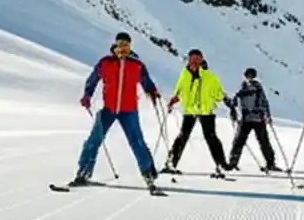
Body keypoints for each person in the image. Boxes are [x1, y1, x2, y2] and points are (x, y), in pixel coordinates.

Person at [70, 31, 161, 186]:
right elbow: (93, 80)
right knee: (93, 140)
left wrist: (152, 92)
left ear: (130, 47)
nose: (123, 48)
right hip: (109, 109)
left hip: (129, 110)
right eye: (120, 45)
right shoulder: (105, 62)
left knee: (137, 141)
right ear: (115, 46)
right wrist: (87, 95)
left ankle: (148, 174)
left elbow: (146, 82)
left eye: (126, 45)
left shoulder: (137, 65)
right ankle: (83, 173)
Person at [163, 48, 234, 174]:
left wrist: (225, 100)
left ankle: (221, 164)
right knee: (182, 136)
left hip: (206, 110)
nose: (195, 61)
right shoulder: (184, 75)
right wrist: (174, 99)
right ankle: (171, 163)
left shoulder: (209, 77)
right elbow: (180, 91)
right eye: (192, 59)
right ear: (189, 60)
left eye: (197, 59)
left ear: (201, 60)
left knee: (211, 137)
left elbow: (218, 92)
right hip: (190, 110)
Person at [228, 67, 282, 172]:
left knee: (263, 142)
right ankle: (233, 163)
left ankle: (270, 163)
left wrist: (268, 115)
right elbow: (235, 103)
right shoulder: (244, 88)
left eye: (251, 76)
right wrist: (234, 113)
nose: (250, 78)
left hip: (256, 119)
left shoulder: (255, 88)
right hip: (248, 119)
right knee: (240, 142)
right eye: (248, 75)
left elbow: (264, 102)